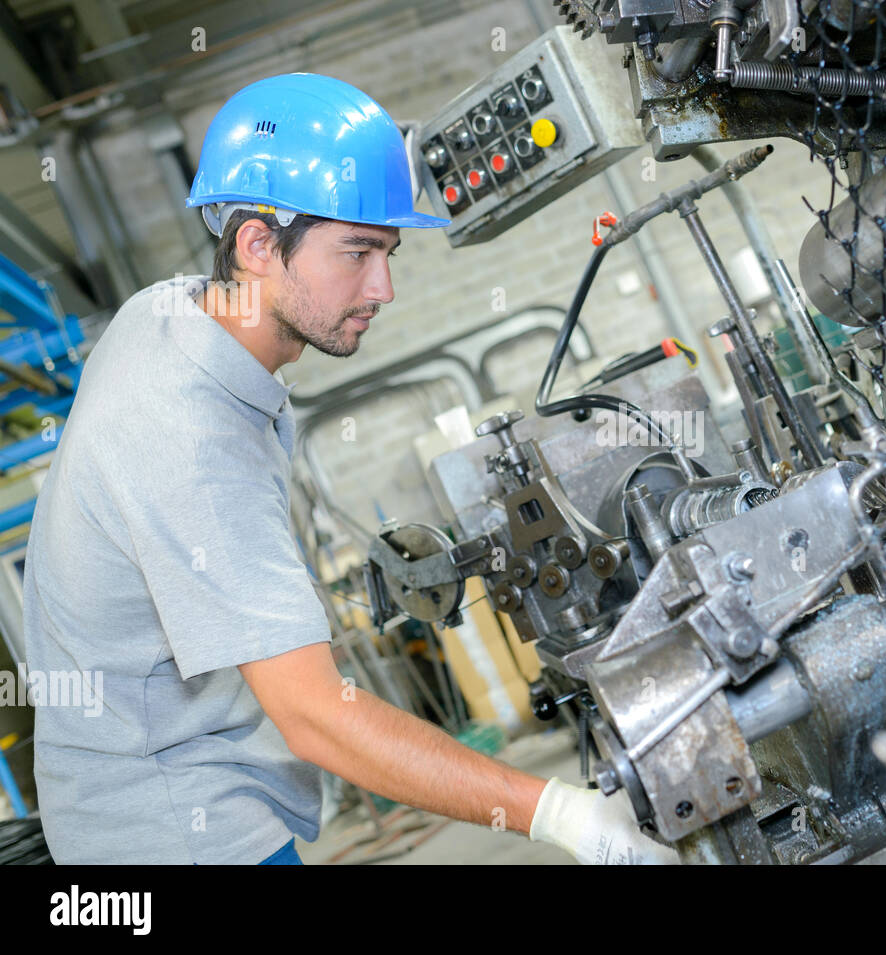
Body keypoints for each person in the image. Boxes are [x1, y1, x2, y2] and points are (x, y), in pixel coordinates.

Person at [22, 72, 676, 865]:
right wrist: (558, 813)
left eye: (389, 252)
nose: (385, 288)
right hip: (177, 829)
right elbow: (317, 717)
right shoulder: (186, 437)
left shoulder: (168, 313)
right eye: (358, 252)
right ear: (257, 244)